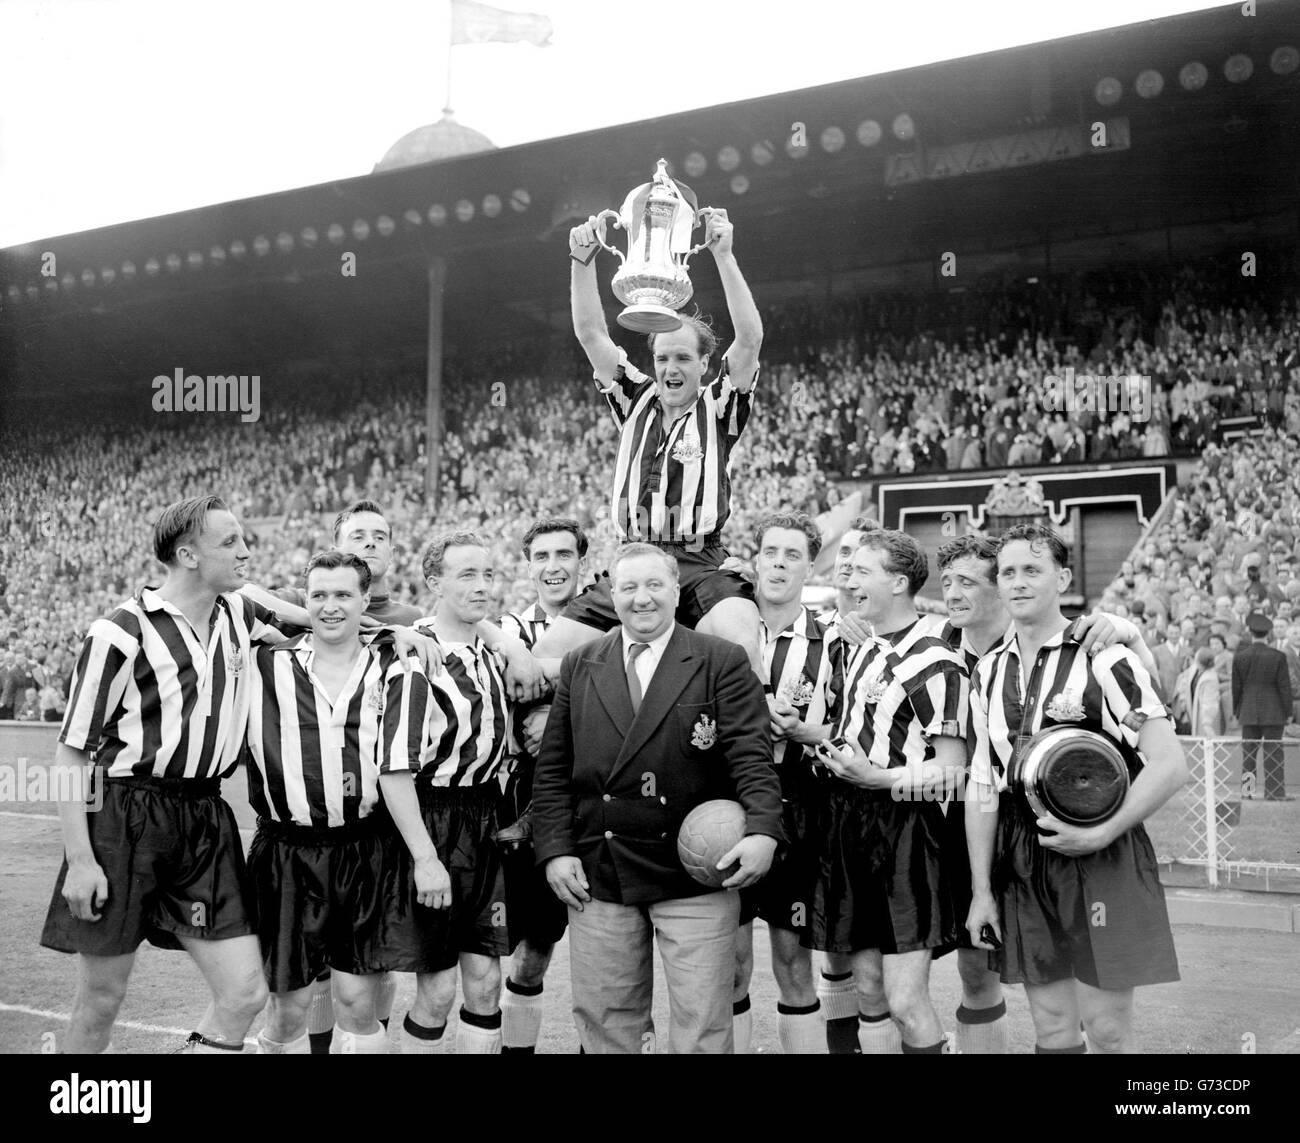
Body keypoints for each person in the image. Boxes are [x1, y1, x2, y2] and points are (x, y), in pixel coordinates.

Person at [39, 496, 285, 1053]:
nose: (246, 552)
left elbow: (325, 618)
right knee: (101, 1001)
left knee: (245, 992)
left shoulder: (241, 615)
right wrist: (80, 861)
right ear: (188, 555)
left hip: (205, 816)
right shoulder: (119, 632)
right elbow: (71, 755)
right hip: (124, 815)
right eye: (230, 542)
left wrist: (410, 636)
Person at [532, 542, 783, 1053]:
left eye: (653, 586)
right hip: (600, 872)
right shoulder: (581, 664)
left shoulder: (722, 660)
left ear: (676, 591)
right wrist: (555, 851)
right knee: (606, 1024)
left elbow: (751, 759)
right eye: (628, 588)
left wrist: (761, 832)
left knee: (703, 1025)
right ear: (611, 595)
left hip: (695, 876)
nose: (641, 599)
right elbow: (554, 770)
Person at [966, 523, 1187, 1054]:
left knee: (1108, 1030)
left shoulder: (1105, 656)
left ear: (1062, 577)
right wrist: (980, 892)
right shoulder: (987, 672)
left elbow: (1170, 763)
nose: (1018, 582)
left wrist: (1103, 832)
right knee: (1052, 1028)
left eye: (1032, 570)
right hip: (1023, 859)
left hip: (1101, 853)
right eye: (1008, 572)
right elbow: (981, 787)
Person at [532, 203, 765, 678]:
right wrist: (581, 262)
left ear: (703, 364)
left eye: (682, 358)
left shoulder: (719, 407)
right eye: (662, 358)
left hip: (698, 560)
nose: (670, 369)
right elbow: (591, 332)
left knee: (743, 651)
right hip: (632, 557)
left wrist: (725, 256)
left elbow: (750, 339)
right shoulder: (634, 398)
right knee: (542, 664)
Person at [245, 551, 430, 1055]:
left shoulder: (394, 666)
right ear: (304, 600)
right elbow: (226, 591)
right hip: (287, 850)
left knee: (356, 1003)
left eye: (344, 595)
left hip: (364, 848)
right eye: (319, 595)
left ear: (366, 599)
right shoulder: (267, 663)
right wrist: (373, 625)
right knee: (285, 1010)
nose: (330, 606)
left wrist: (387, 634)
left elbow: (397, 769)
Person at [810, 529, 969, 1055]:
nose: (848, 578)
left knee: (904, 1000)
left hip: (906, 828)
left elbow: (953, 770)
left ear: (899, 582)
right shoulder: (862, 646)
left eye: (861, 571)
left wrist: (881, 779)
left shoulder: (933, 658)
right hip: (848, 819)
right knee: (869, 990)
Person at [378, 532, 515, 1054]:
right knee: (436, 989)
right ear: (434, 582)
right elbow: (393, 771)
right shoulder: (416, 656)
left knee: (485, 983)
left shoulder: (491, 648)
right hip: (432, 820)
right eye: (467, 575)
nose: (481, 586)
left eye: (487, 574)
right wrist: (424, 858)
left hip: (483, 818)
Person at [733, 512, 842, 1054]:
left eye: (792, 554)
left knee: (793, 956)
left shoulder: (836, 639)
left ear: (810, 564)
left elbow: (850, 731)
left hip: (799, 797)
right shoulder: (723, 624)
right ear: (755, 558)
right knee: (729, 959)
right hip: (724, 799)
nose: (778, 563)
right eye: (770, 551)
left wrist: (804, 729)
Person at [495, 517, 590, 1053]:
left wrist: (551, 714)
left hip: (602, 802)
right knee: (533, 951)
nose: (553, 567)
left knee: (609, 953)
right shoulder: (506, 631)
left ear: (582, 561)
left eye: (564, 555)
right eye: (542, 557)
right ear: (528, 565)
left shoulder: (609, 623)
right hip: (534, 799)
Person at [1233, 612, 1292, 800]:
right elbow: (1284, 687)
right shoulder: (1278, 656)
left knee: (1249, 755)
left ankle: (1247, 791)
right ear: (1269, 634)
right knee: (1273, 753)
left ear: (1251, 632)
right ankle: (1274, 792)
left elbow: (1236, 688)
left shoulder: (1240, 657)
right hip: (1273, 711)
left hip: (1248, 710)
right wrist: (1288, 712)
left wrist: (1237, 710)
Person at [1174, 646, 1224, 738]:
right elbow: (1184, 679)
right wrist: (1183, 699)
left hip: (1204, 718)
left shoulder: (1210, 678)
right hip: (1192, 710)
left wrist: (1207, 723)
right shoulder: (1195, 668)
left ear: (1202, 662)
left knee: (1205, 743)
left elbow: (1210, 703)